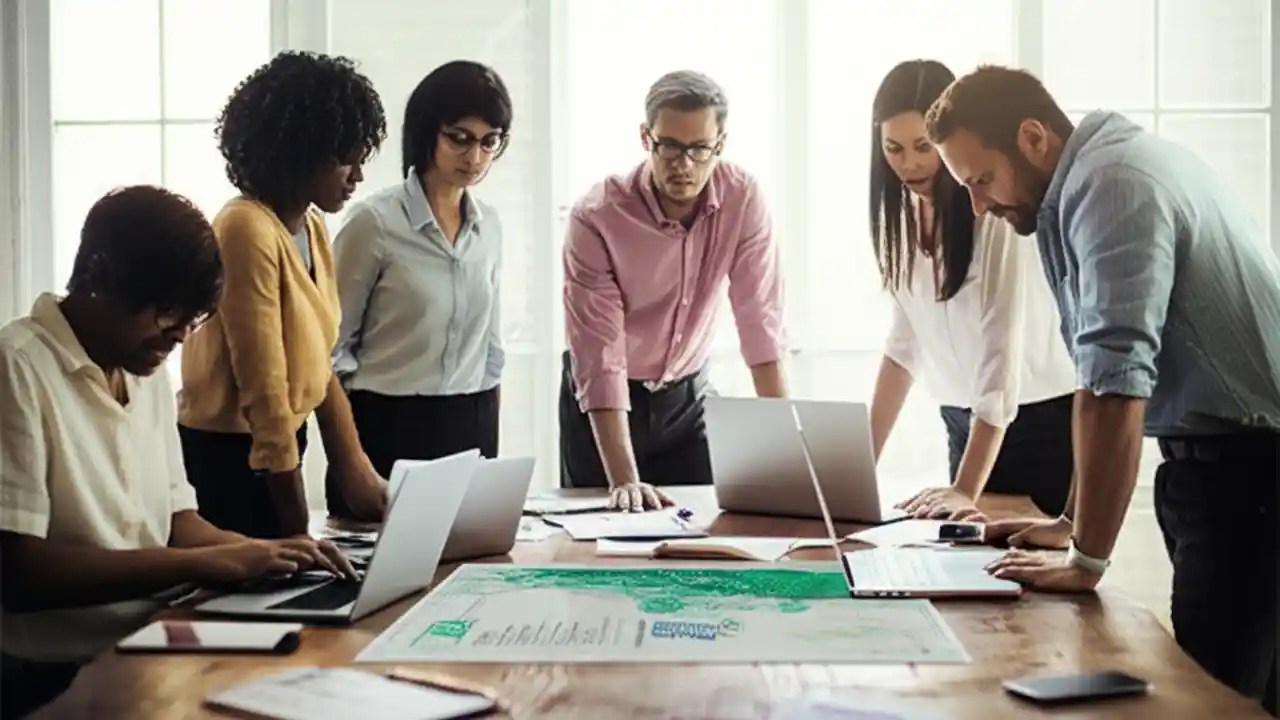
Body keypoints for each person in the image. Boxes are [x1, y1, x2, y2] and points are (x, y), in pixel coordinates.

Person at [926, 65, 1280, 715]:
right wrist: (1067, 524)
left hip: (1251, 478)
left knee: (1207, 702)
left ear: (1032, 137)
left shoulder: (1111, 187)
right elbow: (1100, 376)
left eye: (980, 180)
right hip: (1223, 467)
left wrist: (1087, 557)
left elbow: (1115, 386)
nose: (978, 206)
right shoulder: (1099, 173)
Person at [0, 186, 355, 718]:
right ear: (98, 278)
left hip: (155, 637)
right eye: (168, 314)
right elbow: (21, 574)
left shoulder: (143, 371)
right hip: (56, 670)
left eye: (193, 320)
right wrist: (207, 562)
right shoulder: (18, 369)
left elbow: (176, 521)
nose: (180, 337)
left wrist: (264, 556)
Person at [178, 51, 390, 539]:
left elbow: (318, 360)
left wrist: (355, 466)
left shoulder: (311, 226)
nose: (357, 174)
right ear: (301, 151)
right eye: (344, 158)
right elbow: (266, 395)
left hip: (277, 450)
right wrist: (298, 533)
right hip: (233, 457)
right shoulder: (244, 228)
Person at [561, 70, 788, 512]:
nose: (683, 164)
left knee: (702, 530)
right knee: (604, 539)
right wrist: (625, 480)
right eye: (670, 146)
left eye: (699, 149)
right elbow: (599, 351)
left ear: (719, 145)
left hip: (686, 398)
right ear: (646, 137)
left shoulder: (743, 199)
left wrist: (789, 457)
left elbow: (760, 321)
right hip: (603, 402)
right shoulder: (596, 217)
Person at [865, 60, 1077, 521]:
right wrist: (858, 470)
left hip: (1036, 424)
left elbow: (1000, 352)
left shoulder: (992, 209)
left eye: (924, 146)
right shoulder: (901, 217)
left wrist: (965, 488)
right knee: (961, 574)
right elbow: (905, 345)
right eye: (893, 148)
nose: (910, 164)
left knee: (1031, 584)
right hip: (964, 423)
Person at [331, 61, 511, 496]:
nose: (475, 157)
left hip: (471, 422)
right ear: (427, 131)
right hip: (387, 425)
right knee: (379, 561)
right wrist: (349, 460)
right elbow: (329, 352)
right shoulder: (374, 223)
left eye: (490, 142)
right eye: (460, 138)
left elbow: (490, 348)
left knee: (476, 560)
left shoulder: (490, 226)